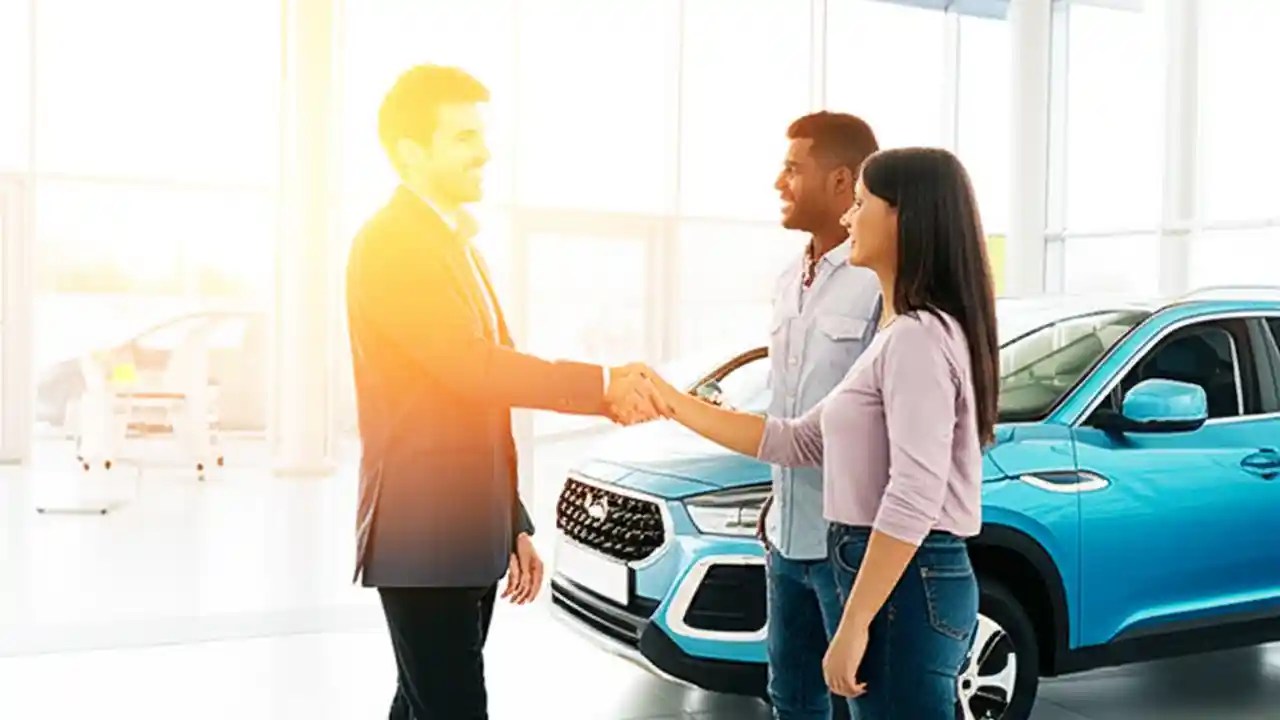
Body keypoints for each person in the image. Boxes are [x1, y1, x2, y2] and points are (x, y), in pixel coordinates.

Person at [344, 64, 661, 720]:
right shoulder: (394, 243)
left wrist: (510, 521)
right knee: (451, 705)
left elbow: (479, 401)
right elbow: (472, 367)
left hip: (462, 532)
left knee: (424, 701)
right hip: (424, 537)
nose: (484, 152)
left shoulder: (456, 244)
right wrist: (600, 386)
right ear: (410, 151)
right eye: (463, 137)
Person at [637, 147, 1000, 719]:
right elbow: (796, 441)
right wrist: (672, 402)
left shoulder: (917, 339)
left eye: (860, 204)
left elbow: (914, 493)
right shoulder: (901, 334)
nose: (849, 219)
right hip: (891, 573)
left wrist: (854, 622)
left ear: (903, 216)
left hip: (907, 581)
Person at [761, 111, 880, 720]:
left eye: (791, 169)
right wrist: (772, 501)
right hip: (785, 541)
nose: (778, 182)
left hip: (848, 549)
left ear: (841, 182)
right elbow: (787, 401)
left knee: (865, 704)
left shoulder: (880, 283)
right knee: (792, 703)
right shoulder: (787, 280)